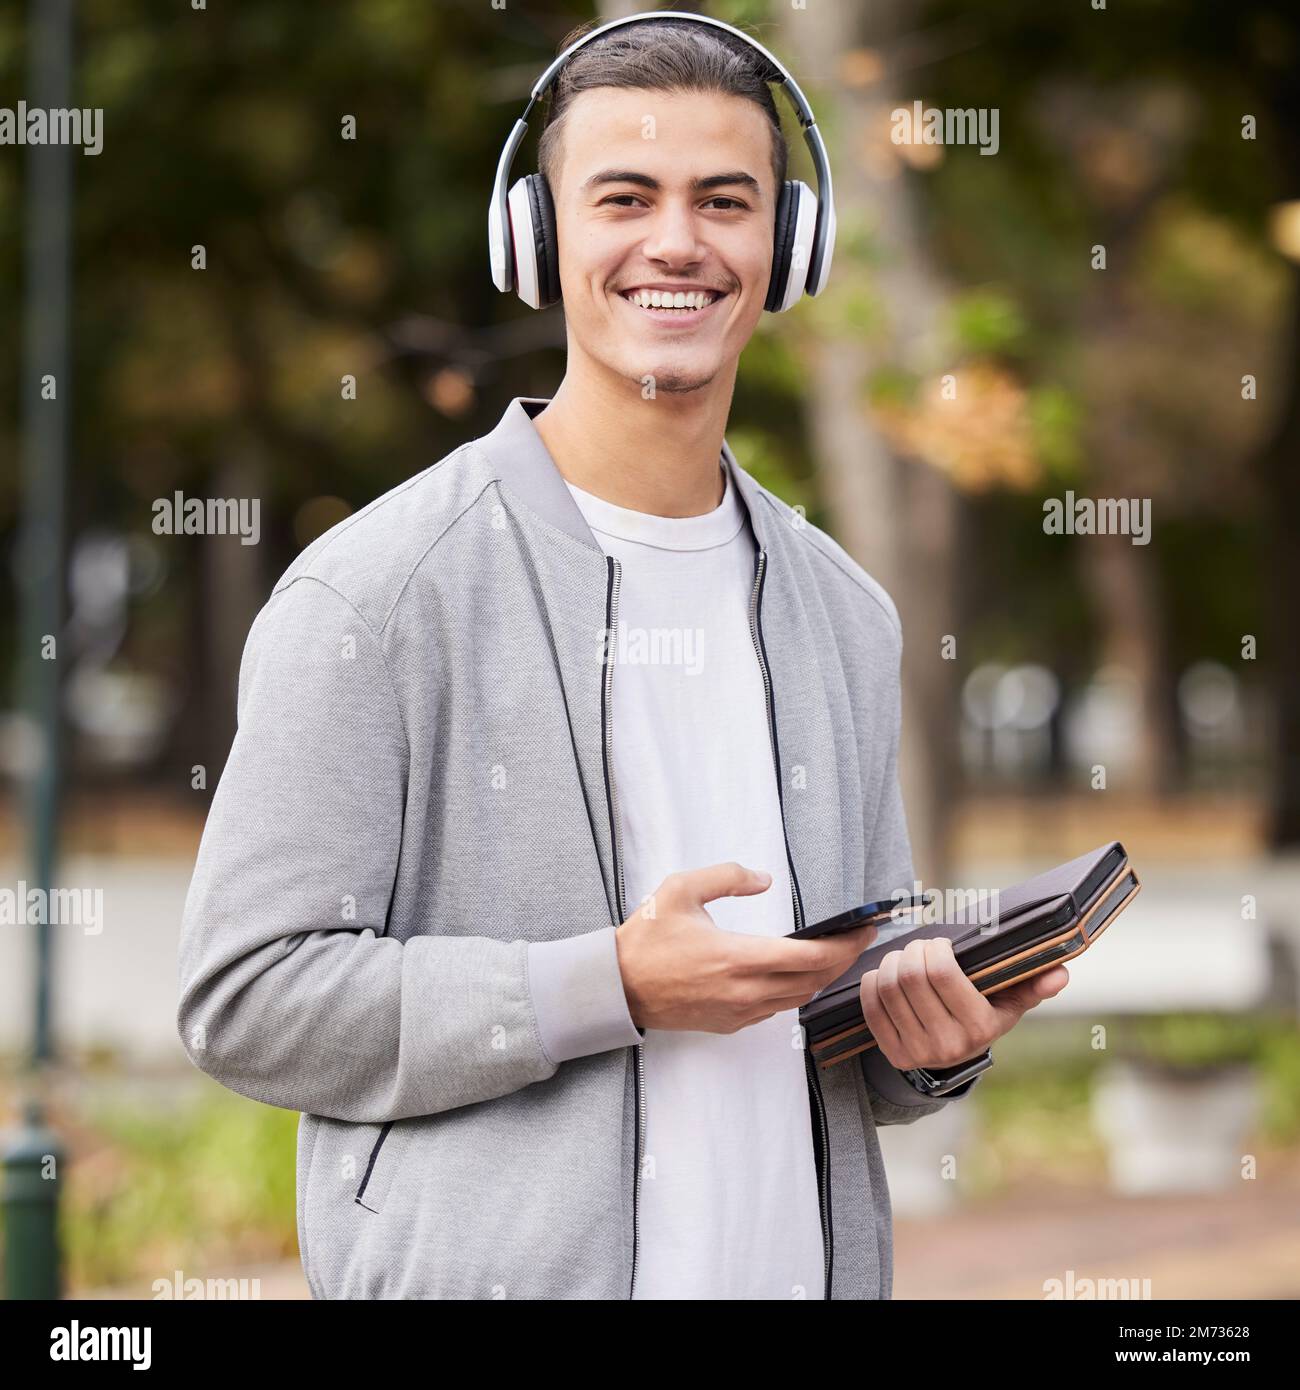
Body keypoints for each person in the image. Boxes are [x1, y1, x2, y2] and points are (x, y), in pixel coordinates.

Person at [176, 13, 1068, 1301]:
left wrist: (934, 1042)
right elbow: (249, 1001)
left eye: (724, 200)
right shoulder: (378, 596)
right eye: (625, 197)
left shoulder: (845, 615)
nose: (678, 242)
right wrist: (609, 985)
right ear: (538, 241)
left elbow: (837, 1050)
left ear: (789, 247)